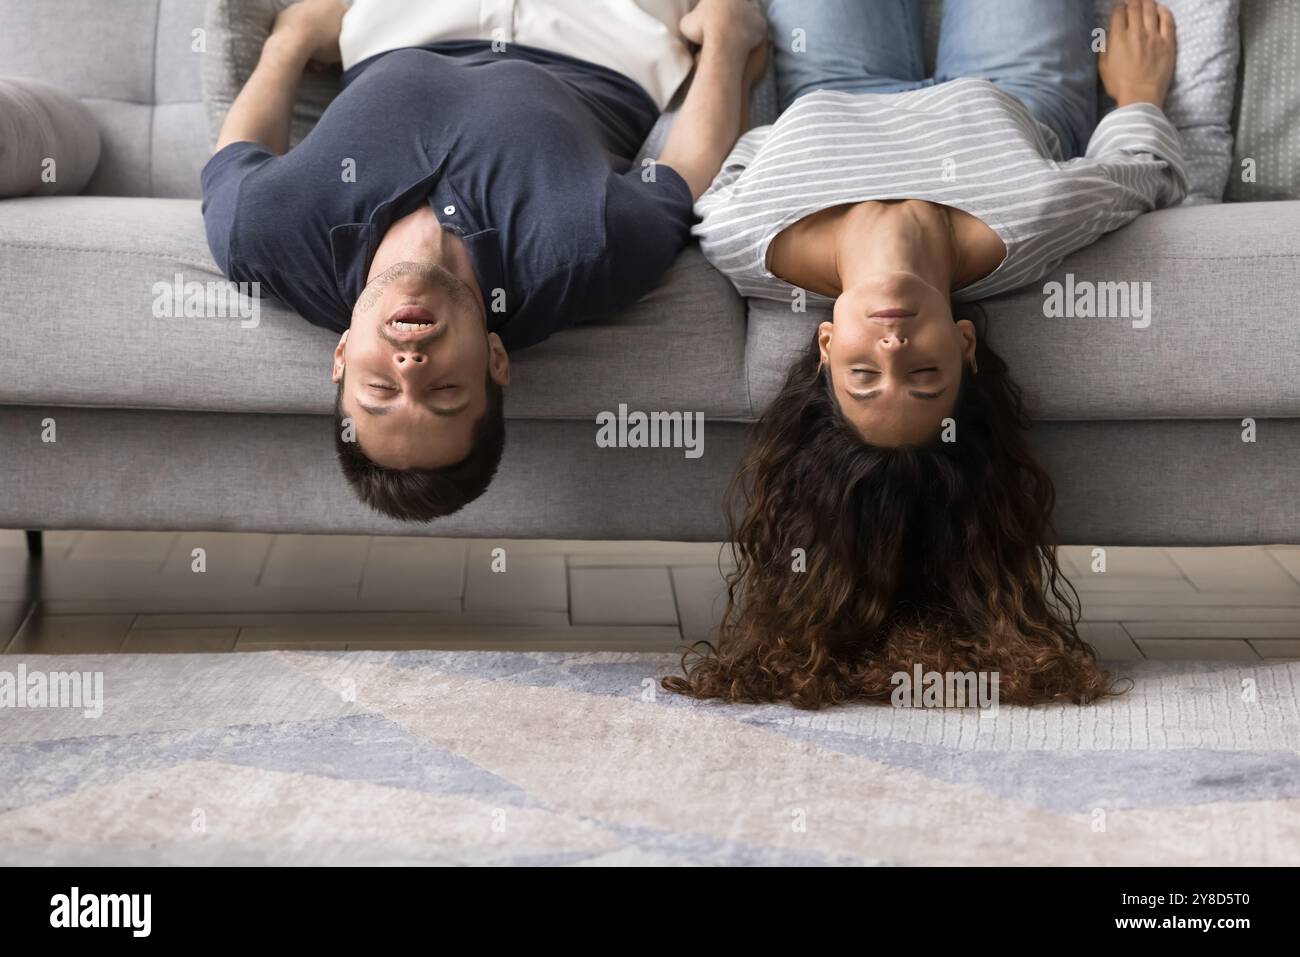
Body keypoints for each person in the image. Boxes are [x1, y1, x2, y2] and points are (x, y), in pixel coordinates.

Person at [668, 0, 1185, 707]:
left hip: (831, 87)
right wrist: (1138, 94)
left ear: (825, 347)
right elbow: (1143, 170)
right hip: (1013, 91)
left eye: (862, 374)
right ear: (965, 345)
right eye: (923, 374)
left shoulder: (743, 235)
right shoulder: (1027, 219)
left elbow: (727, 163)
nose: (893, 342)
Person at [202, 0, 768, 521]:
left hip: (400, 22)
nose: (410, 367)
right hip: (602, 33)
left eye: (380, 391)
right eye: (445, 393)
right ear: (496, 362)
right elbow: (686, 170)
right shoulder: (586, 253)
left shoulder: (266, 238)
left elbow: (234, 156)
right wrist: (726, 36)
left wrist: (293, 38)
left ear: (343, 357)